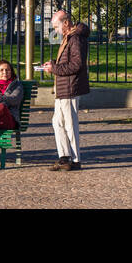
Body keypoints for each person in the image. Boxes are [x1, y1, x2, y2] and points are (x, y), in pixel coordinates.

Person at [41, 10, 88, 171]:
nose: (56, 30)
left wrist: (54, 68)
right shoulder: (69, 38)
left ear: (66, 23)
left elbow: (77, 65)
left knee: (70, 125)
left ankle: (75, 159)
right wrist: (53, 64)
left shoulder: (75, 38)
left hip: (70, 87)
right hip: (63, 87)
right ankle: (65, 156)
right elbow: (69, 62)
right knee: (57, 122)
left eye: (56, 26)